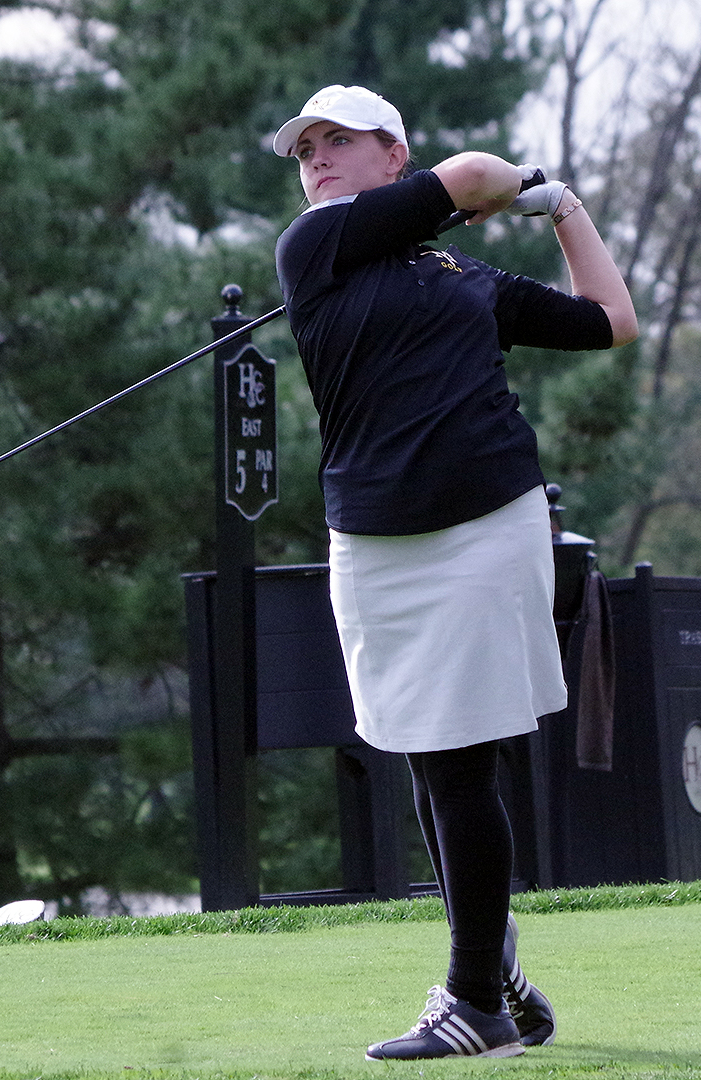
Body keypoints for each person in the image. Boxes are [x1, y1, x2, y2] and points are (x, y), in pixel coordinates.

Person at [271, 85, 636, 1060]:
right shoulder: (313, 246)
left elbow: (610, 320)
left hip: (486, 524)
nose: (316, 159)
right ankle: (495, 968)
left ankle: (475, 999)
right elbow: (473, 174)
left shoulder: (462, 273)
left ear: (395, 155)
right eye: (305, 149)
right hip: (374, 541)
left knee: (463, 757)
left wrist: (558, 206)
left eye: (338, 140)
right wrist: (500, 186)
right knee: (427, 755)